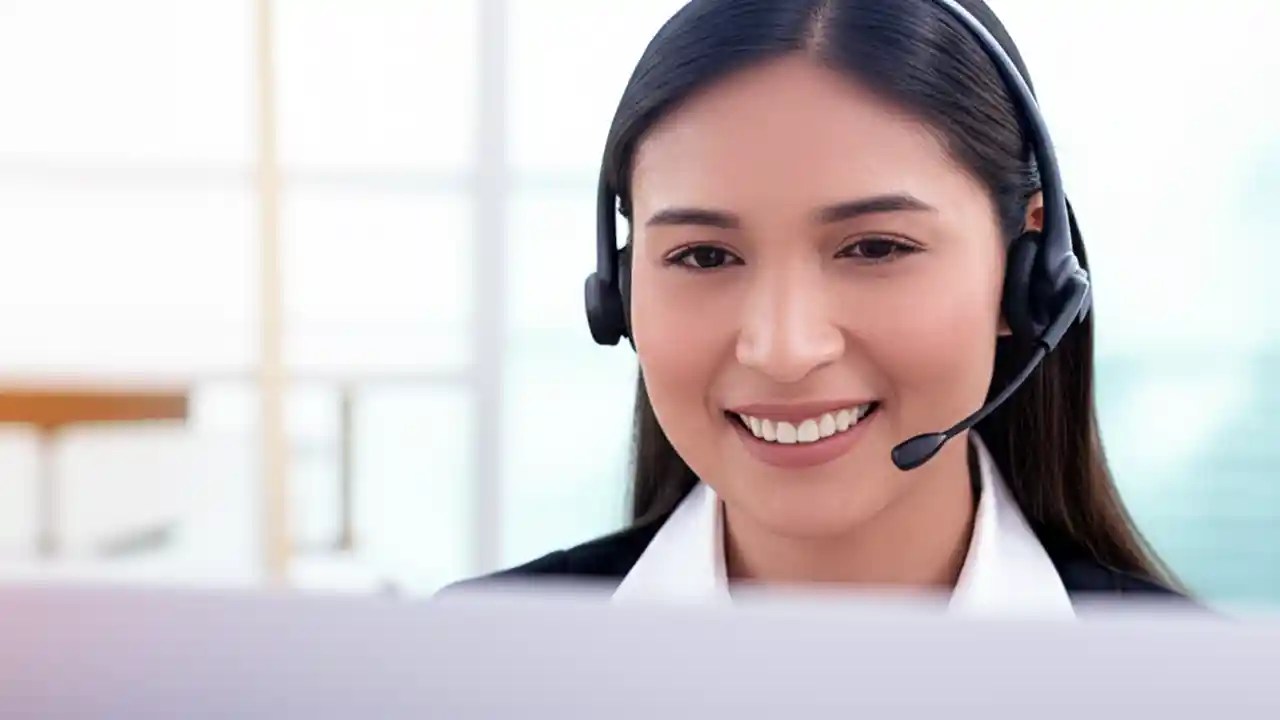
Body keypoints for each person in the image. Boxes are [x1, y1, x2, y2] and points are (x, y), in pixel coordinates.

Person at [460, 0, 1185, 614]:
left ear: (1027, 275)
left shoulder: (1204, 691)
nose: (783, 349)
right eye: (704, 256)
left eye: (875, 249)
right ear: (619, 293)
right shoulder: (469, 668)